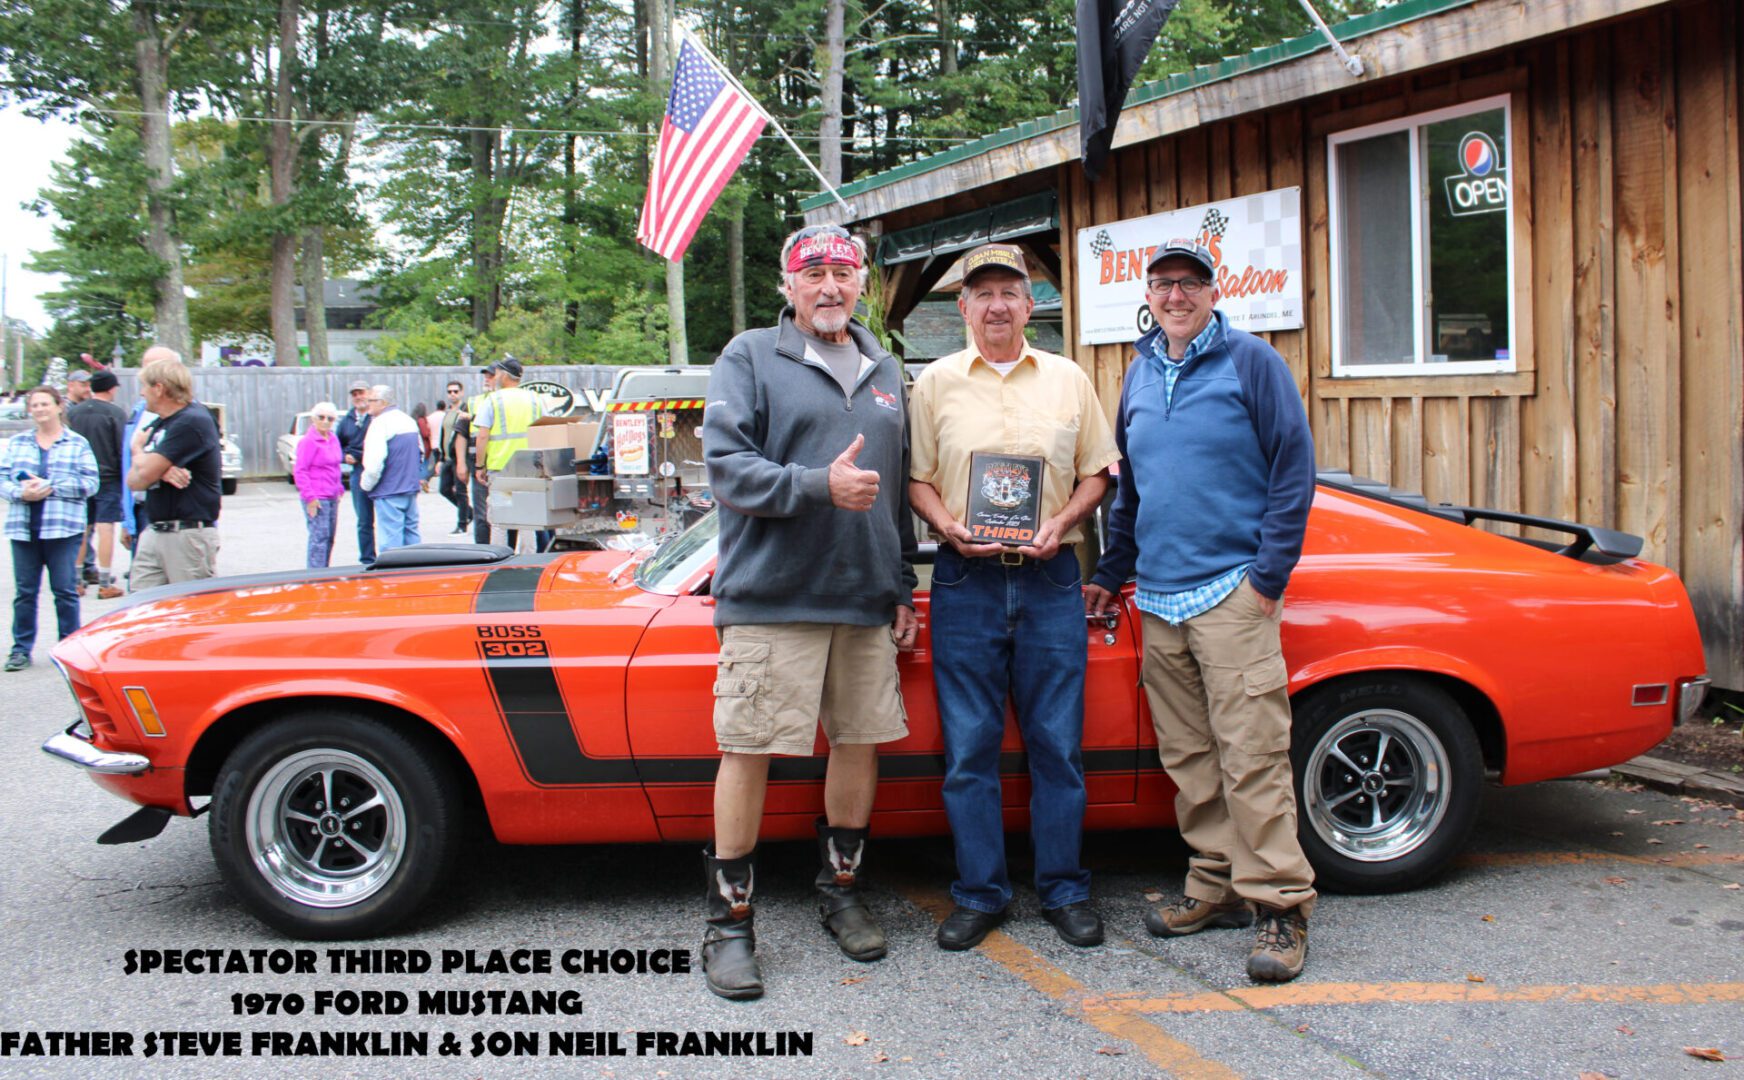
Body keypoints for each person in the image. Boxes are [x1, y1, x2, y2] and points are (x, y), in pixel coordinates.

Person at [1085, 238, 1318, 983]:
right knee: (1189, 758)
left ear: (1213, 292)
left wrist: (1267, 579)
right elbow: (1133, 490)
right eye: (1162, 284)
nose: (1175, 296)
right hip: (1158, 597)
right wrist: (1114, 571)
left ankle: (1281, 906)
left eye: (1189, 283)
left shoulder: (1253, 363)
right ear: (1146, 296)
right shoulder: (1141, 372)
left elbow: (1293, 470)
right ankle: (1214, 886)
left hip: (1230, 593)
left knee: (1253, 754)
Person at [698, 224, 918, 1001]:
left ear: (864, 284)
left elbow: (895, 491)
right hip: (772, 598)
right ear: (787, 287)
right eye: (813, 272)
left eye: (843, 272)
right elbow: (726, 471)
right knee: (750, 747)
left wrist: (898, 585)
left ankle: (841, 890)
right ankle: (730, 923)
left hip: (862, 600)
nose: (830, 286)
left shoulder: (887, 369)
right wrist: (816, 485)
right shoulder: (749, 357)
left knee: (859, 742)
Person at [908, 243, 1121, 950]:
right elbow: (917, 478)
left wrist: (1063, 522)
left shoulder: (1068, 380)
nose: (996, 305)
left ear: (1032, 306)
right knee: (969, 748)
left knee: (1056, 745)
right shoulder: (934, 383)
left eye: (1010, 292)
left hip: (1049, 577)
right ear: (962, 307)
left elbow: (1099, 471)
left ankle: (1063, 889)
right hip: (965, 578)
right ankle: (980, 892)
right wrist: (944, 526)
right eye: (982, 294)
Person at [2, 386, 99, 671]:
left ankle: (69, 650)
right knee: (25, 592)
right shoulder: (18, 442)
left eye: (45, 404)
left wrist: (51, 488)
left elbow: (90, 484)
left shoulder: (76, 443)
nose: (40, 409)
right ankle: (20, 649)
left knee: (65, 590)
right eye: (35, 405)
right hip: (24, 529)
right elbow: (2, 479)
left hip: (62, 529)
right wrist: (21, 493)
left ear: (59, 407)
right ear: (29, 410)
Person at [127, 354, 223, 589]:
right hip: (155, 529)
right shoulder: (160, 424)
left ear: (159, 388)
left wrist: (138, 449)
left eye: (144, 386)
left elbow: (145, 473)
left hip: (186, 534)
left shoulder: (191, 421)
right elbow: (133, 481)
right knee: (141, 610)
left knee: (190, 613)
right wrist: (161, 470)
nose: (141, 393)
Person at [471, 356, 548, 551]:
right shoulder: (535, 399)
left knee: (499, 519)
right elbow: (545, 430)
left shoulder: (493, 400)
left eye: (496, 372)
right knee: (527, 518)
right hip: (530, 467)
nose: (495, 376)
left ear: (504, 375)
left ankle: (499, 559)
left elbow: (482, 436)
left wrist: (480, 465)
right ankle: (529, 559)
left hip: (500, 466)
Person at [65, 368, 128, 599]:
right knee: (106, 528)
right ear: (112, 389)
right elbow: (121, 449)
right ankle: (104, 582)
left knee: (83, 528)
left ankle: (77, 580)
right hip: (108, 477)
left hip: (81, 476)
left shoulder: (74, 413)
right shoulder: (116, 413)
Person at [359, 384, 423, 552]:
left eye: (371, 400)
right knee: (412, 538)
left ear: (383, 402)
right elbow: (420, 453)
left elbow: (374, 463)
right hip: (409, 488)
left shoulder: (380, 424)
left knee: (391, 544)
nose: (368, 404)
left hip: (389, 490)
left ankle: (393, 577)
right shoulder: (408, 421)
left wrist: (366, 485)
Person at [293, 401, 343, 568]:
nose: (325, 421)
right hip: (316, 497)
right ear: (313, 419)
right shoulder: (308, 442)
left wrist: (339, 488)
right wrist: (310, 497)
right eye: (321, 417)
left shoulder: (333, 439)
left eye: (330, 418)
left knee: (329, 537)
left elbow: (335, 465)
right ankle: (315, 576)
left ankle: (324, 572)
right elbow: (300, 471)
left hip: (332, 496)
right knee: (319, 538)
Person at [336, 380, 375, 566]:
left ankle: (388, 555)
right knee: (363, 520)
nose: (359, 397)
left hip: (378, 469)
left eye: (361, 392)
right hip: (358, 472)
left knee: (385, 516)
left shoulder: (376, 417)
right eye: (355, 394)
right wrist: (345, 456)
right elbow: (337, 446)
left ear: (369, 393)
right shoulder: (346, 421)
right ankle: (367, 559)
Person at [467, 365, 497, 544]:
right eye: (486, 376)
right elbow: (463, 432)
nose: (487, 379)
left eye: (491, 376)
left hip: (496, 461)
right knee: (482, 514)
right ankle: (483, 550)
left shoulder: (499, 401)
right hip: (480, 460)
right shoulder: (474, 402)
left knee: (500, 516)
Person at [437, 380, 472, 535]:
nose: (452, 394)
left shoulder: (465, 410)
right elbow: (444, 435)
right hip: (447, 457)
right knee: (444, 489)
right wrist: (440, 457)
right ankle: (469, 513)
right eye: (450, 391)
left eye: (455, 391)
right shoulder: (448, 412)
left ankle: (462, 523)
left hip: (459, 457)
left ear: (461, 393)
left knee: (460, 490)